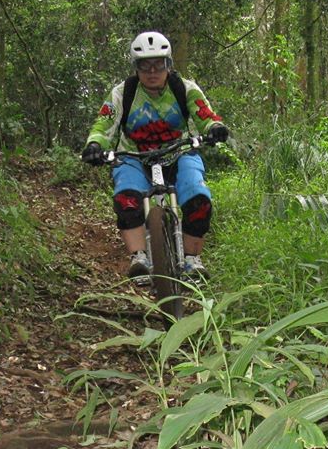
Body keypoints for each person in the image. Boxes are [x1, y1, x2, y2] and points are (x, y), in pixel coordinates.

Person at [81, 31, 229, 282]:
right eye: (144, 65)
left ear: (168, 64)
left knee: (198, 199)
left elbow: (205, 115)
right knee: (127, 198)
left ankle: (192, 259)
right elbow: (104, 124)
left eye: (158, 64)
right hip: (133, 155)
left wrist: (214, 128)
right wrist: (95, 144)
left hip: (179, 151)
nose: (152, 71)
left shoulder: (184, 89)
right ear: (135, 67)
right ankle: (139, 258)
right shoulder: (123, 93)